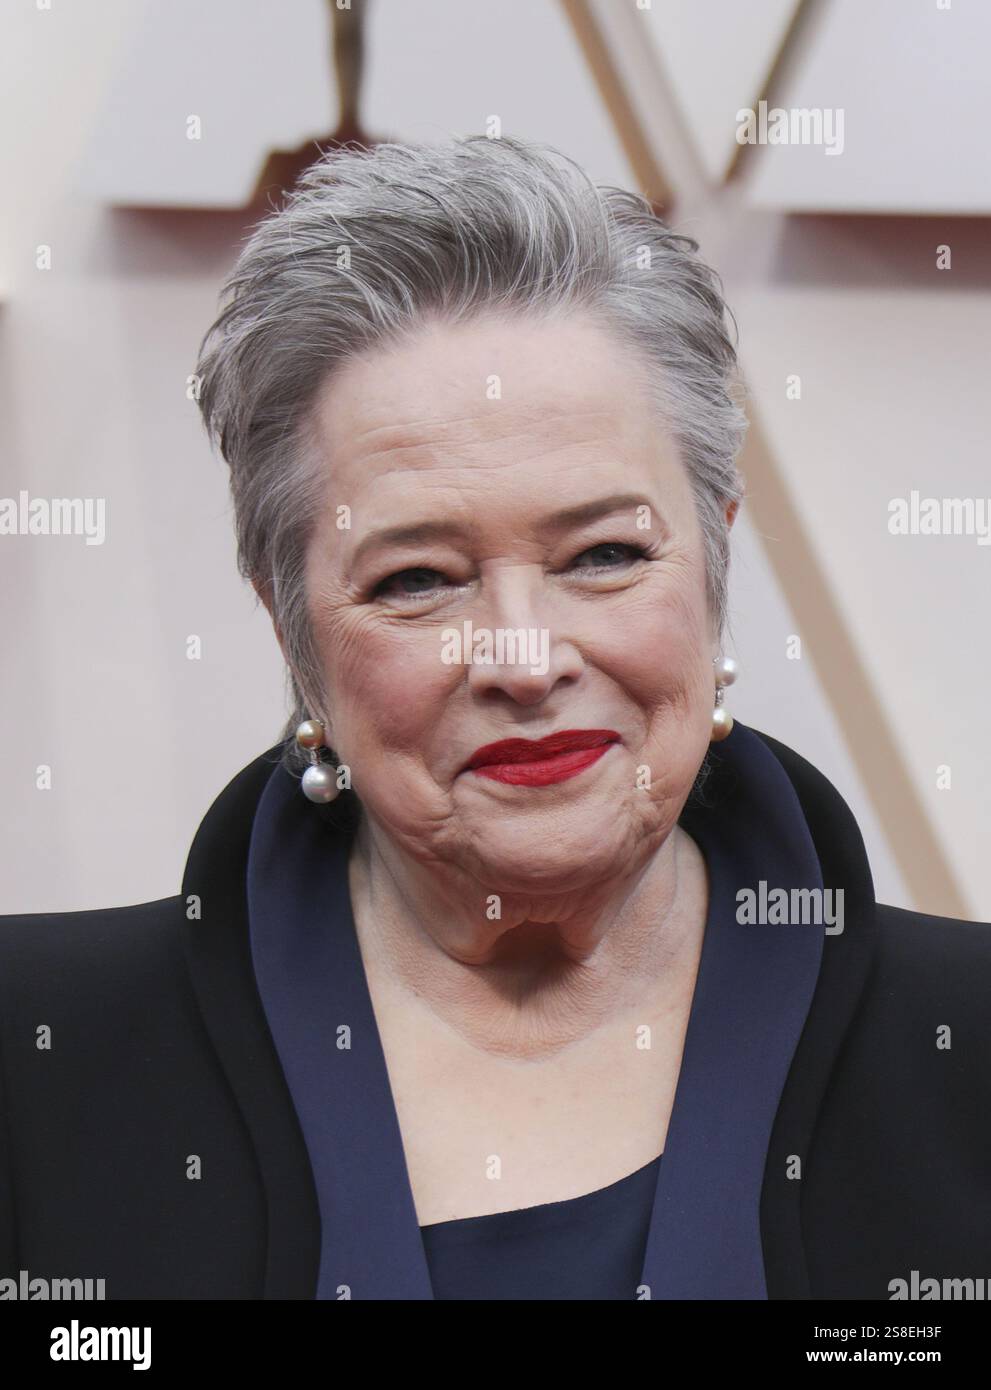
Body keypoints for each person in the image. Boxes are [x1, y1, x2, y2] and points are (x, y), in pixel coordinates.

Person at [2, 135, 988, 1302]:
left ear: (715, 571)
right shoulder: (35, 1058)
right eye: (417, 579)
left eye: (606, 554)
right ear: (292, 635)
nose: (524, 658)